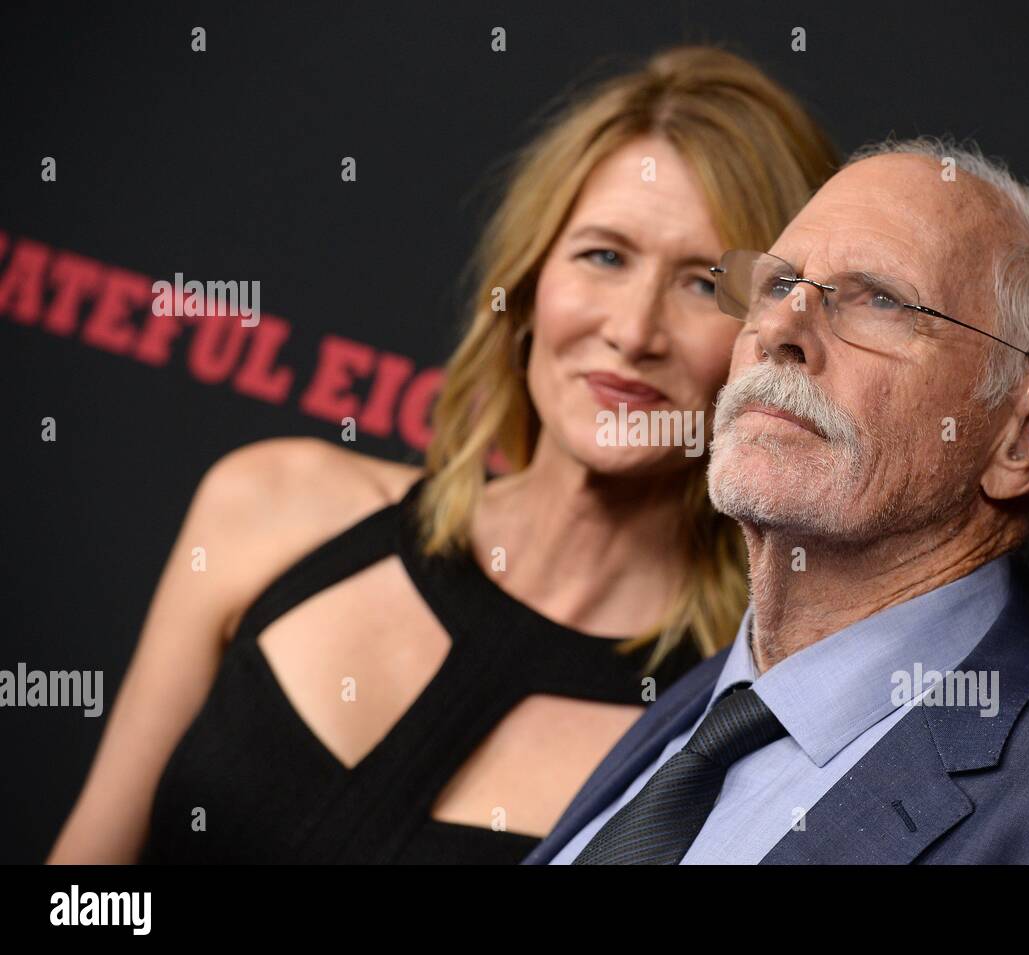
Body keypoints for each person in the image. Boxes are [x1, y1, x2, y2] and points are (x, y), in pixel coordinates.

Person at [46, 46, 840, 864]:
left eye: (705, 285)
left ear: (768, 343)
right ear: (528, 285)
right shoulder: (272, 505)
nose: (634, 331)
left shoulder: (714, 728)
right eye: (603, 255)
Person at [528, 136, 1029, 865]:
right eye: (777, 284)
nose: (779, 330)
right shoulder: (698, 710)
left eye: (879, 299)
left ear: (1026, 435)